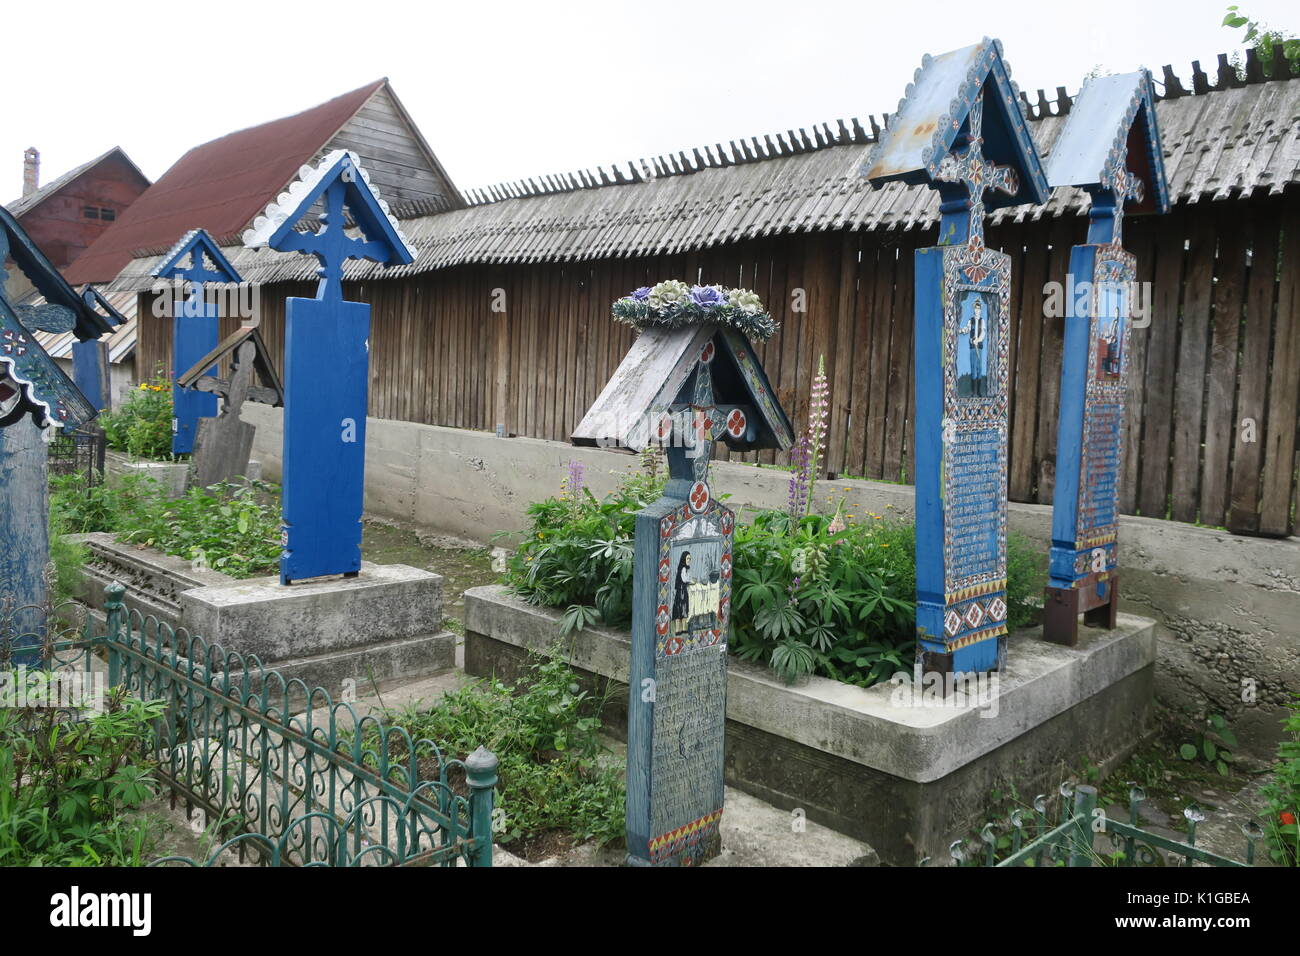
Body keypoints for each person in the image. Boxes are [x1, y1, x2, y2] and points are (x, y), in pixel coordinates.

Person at [672, 551, 692, 635]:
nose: (689, 560)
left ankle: (679, 629)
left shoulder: (681, 567)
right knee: (683, 609)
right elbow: (684, 579)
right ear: (684, 558)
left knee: (679, 610)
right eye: (687, 558)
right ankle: (681, 629)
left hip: (679, 592)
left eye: (690, 559)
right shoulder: (683, 568)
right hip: (682, 592)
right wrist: (690, 581)